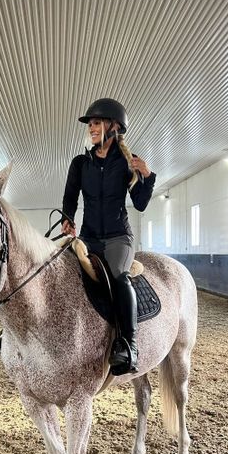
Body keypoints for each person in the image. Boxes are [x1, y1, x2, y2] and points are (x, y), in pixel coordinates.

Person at [61, 98, 156, 375]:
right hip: (89, 236)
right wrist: (68, 219)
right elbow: (70, 196)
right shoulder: (80, 163)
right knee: (58, 268)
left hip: (118, 238)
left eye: (96, 123)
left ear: (113, 127)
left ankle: (129, 344)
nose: (91, 128)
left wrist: (147, 176)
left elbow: (139, 203)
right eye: (90, 124)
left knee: (118, 276)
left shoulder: (128, 163)